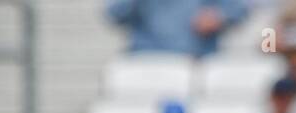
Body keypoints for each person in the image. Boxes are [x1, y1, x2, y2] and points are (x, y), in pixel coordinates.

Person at [106, 0, 247, 58]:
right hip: (148, 60)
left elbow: (239, 9)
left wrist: (218, 16)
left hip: (195, 61)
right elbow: (114, 13)